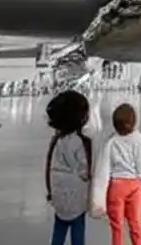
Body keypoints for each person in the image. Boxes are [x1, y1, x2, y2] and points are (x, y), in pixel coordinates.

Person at [92, 103, 141, 245]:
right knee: (136, 223)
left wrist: (99, 196)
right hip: (134, 185)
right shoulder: (140, 140)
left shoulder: (111, 142)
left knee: (116, 225)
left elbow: (103, 169)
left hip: (116, 186)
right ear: (134, 121)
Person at [45, 90, 92, 245]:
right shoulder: (80, 142)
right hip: (76, 194)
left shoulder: (55, 140)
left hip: (58, 191)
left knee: (60, 225)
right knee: (78, 225)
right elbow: (83, 170)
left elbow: (49, 165)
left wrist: (50, 191)